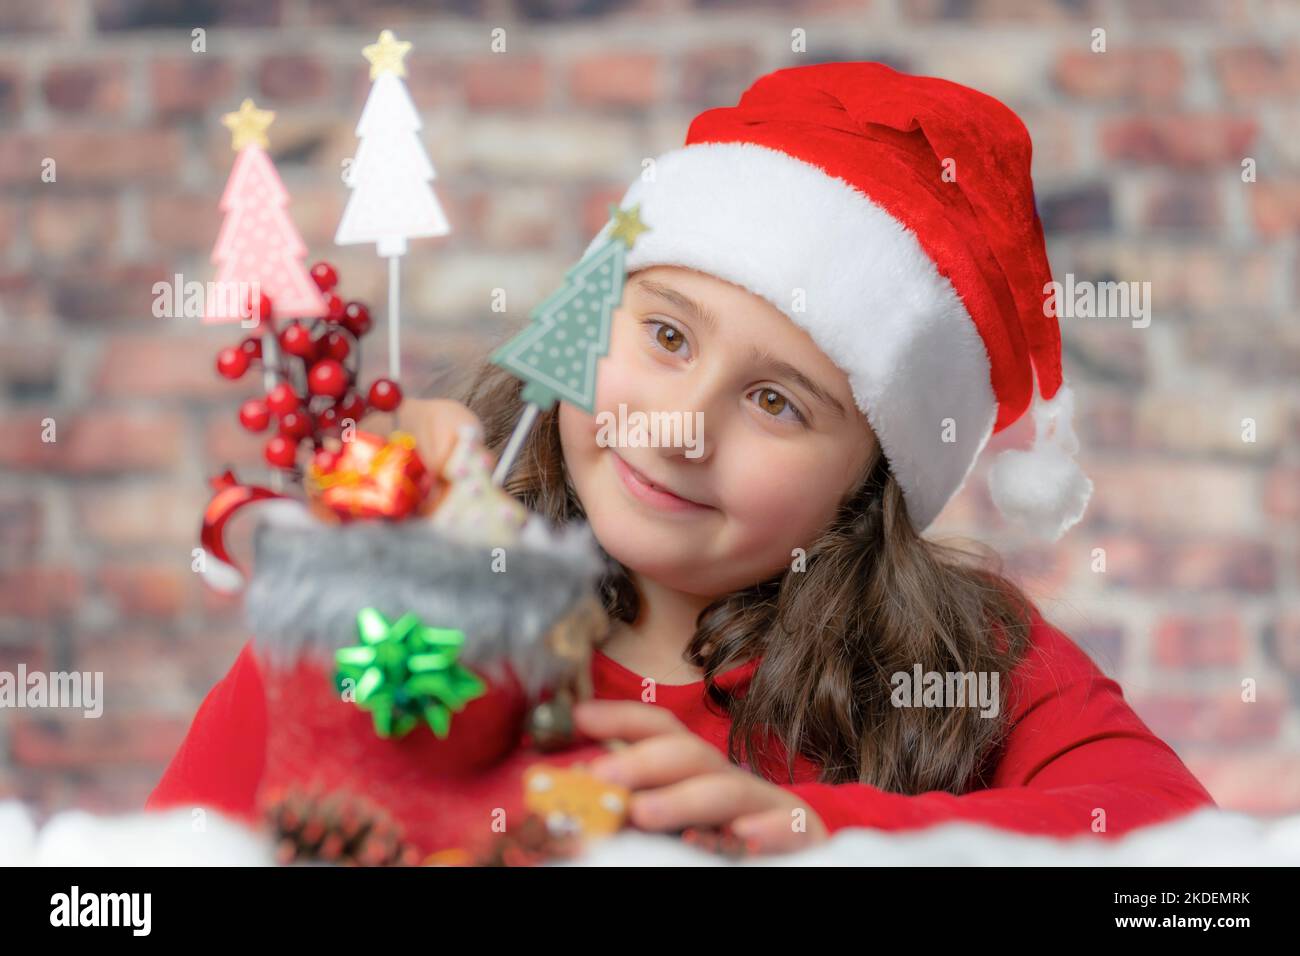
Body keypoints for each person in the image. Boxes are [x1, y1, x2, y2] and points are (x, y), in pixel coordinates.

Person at [150, 61, 1216, 855]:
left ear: (870, 477)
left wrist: (818, 830)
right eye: (665, 336)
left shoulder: (972, 656)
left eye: (775, 401)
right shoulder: (387, 596)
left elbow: (1193, 874)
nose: (679, 425)